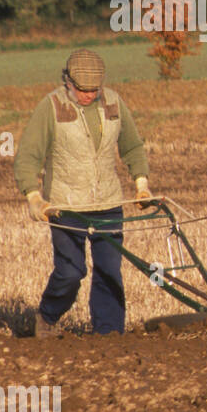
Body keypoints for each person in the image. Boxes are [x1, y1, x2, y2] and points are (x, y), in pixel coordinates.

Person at [12, 49, 155, 336]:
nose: (88, 95)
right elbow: (28, 155)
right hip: (66, 205)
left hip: (108, 202)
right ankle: (47, 317)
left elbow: (132, 146)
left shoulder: (114, 102)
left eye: (93, 90)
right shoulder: (51, 107)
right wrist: (33, 196)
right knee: (70, 272)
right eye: (82, 90)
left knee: (109, 271)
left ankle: (109, 334)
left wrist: (141, 184)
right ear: (68, 82)